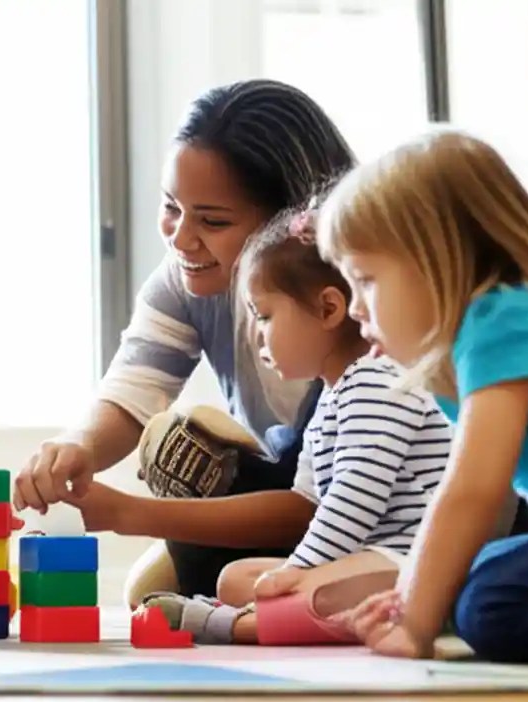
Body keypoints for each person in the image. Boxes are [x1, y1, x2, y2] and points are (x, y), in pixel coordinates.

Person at [14, 79, 358, 600]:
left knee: (190, 568)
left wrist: (135, 514)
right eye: (171, 206)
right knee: (150, 580)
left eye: (213, 220)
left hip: (359, 510)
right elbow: (133, 386)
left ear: (294, 223)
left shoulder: (354, 305)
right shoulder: (186, 276)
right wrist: (75, 447)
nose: (180, 237)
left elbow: (323, 504)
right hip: (296, 491)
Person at [326, 129, 528, 663]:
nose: (356, 307)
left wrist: (415, 621)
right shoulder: (487, 343)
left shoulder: (501, 319)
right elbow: (502, 515)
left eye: (365, 279)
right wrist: (416, 591)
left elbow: (473, 490)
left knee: (490, 605)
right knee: (477, 579)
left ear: (437, 263)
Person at [139, 199, 449, 644]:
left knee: (311, 588)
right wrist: (294, 572)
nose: (256, 334)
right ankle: (259, 613)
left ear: (328, 310)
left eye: (264, 316)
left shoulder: (377, 381)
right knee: (236, 578)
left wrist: (298, 571)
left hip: (411, 559)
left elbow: (353, 501)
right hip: (365, 557)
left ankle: (234, 625)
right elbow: (308, 497)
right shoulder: (330, 396)